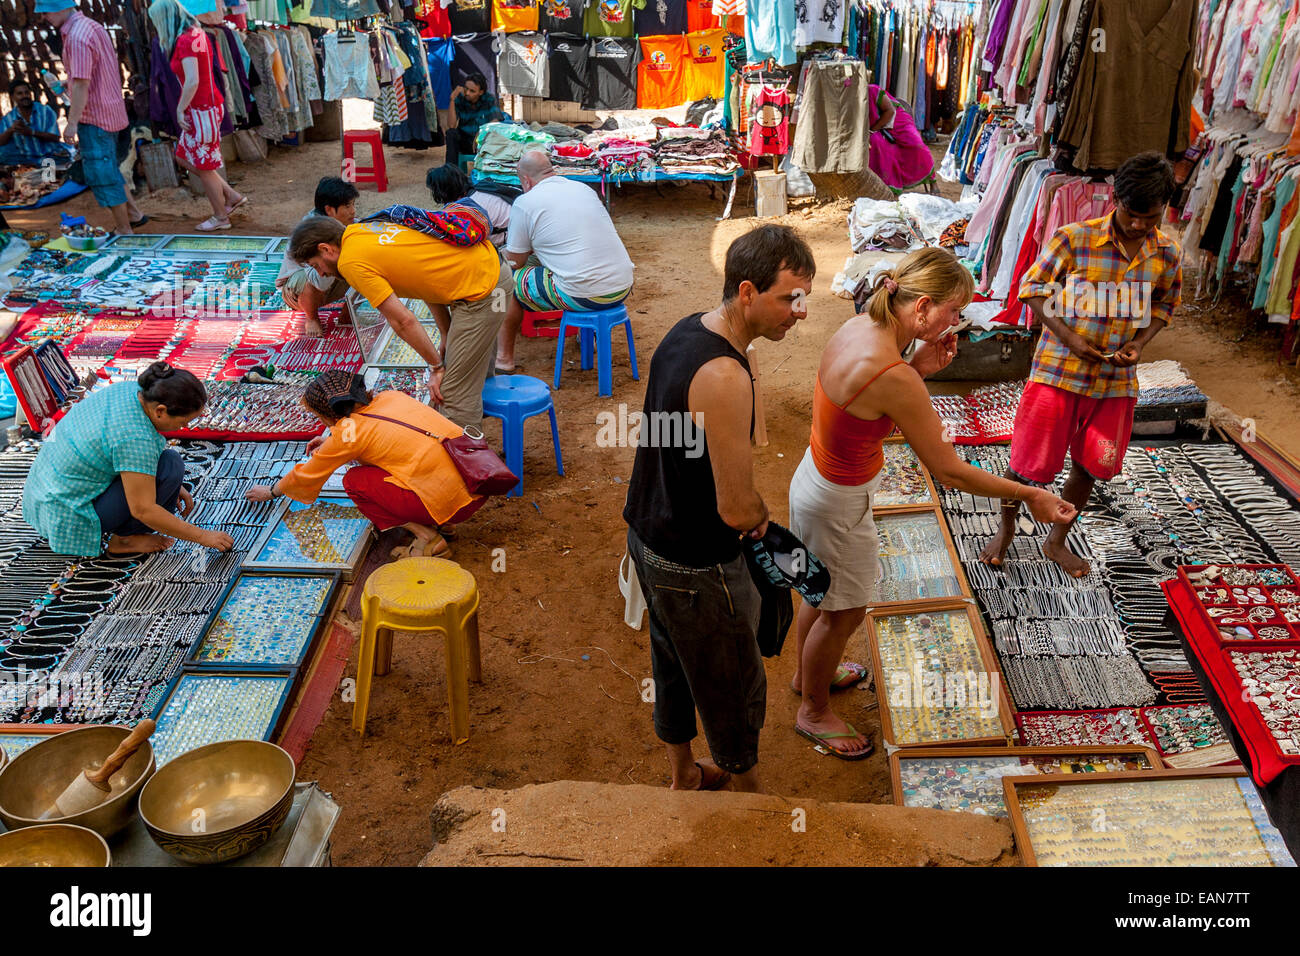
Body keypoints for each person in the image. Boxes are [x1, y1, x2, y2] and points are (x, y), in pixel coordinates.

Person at [787, 248, 1077, 759]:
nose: (957, 323)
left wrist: (917, 365)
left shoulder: (867, 326)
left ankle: (810, 675)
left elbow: (867, 399)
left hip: (816, 482)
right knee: (845, 608)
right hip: (836, 502)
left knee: (820, 592)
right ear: (922, 308)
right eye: (953, 311)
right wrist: (1028, 492)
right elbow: (948, 469)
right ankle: (812, 711)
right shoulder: (891, 371)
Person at [624, 224, 815, 794]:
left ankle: (684, 774)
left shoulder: (689, 331)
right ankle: (748, 795)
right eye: (789, 298)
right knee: (732, 682)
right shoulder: (724, 375)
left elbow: (696, 442)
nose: (800, 312)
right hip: (697, 563)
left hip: (651, 534)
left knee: (673, 665)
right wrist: (763, 522)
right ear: (749, 292)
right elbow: (735, 508)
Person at [980, 151, 1182, 578]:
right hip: (1058, 372)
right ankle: (1006, 527)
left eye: (1151, 216)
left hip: (1115, 381)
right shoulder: (1075, 238)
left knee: (1092, 465)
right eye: (1133, 214)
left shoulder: (1166, 253)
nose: (1140, 225)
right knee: (1027, 463)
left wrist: (1140, 344)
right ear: (1115, 200)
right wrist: (1069, 338)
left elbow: (1166, 305)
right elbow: (1032, 287)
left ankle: (1056, 540)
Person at [289, 211, 511, 428]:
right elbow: (424, 280)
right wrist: (445, 333)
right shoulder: (361, 230)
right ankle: (479, 440)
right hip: (492, 273)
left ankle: (467, 459)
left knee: (450, 395)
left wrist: (436, 368)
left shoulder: (350, 262)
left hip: (485, 292)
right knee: (471, 375)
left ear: (326, 249)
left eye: (316, 265)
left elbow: (403, 322)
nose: (321, 274)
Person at [245, 371, 485, 559]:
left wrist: (272, 491)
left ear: (328, 414)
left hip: (453, 503)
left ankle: (428, 538)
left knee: (355, 482)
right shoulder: (391, 397)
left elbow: (306, 475)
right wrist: (332, 439)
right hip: (476, 482)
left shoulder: (348, 435)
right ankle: (445, 523)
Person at [22, 362, 234, 556]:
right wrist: (203, 537)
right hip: (67, 515)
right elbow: (143, 509)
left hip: (42, 496)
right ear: (160, 411)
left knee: (166, 465)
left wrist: (168, 484)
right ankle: (124, 540)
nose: (184, 428)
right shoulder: (136, 438)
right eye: (183, 421)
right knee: (171, 464)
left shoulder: (131, 391)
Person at [496, 150, 635, 372]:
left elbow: (516, 261)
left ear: (526, 180)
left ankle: (503, 357)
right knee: (568, 262)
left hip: (583, 294)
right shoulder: (582, 188)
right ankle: (587, 335)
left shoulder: (525, 201)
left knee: (504, 281)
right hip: (622, 286)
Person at [37, 0, 146, 234]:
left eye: (46, 11)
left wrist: (72, 123)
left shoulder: (76, 37)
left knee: (103, 174)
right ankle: (134, 215)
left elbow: (82, 85)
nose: (44, 16)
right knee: (109, 168)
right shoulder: (91, 26)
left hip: (95, 116)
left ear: (60, 7)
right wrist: (69, 81)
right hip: (111, 112)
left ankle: (124, 230)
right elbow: (90, 73)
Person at [148, 0, 246, 232]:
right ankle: (230, 195)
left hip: (202, 110)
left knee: (203, 166)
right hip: (205, 108)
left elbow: (192, 81)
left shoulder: (185, 40)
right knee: (184, 157)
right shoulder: (197, 33)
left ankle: (221, 216)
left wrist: (180, 108)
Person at [276, 176, 359, 336]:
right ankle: (311, 318)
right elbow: (319, 280)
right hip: (300, 290)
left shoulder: (344, 224)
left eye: (353, 205)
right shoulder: (309, 232)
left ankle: (348, 314)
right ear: (329, 210)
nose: (353, 211)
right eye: (347, 206)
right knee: (311, 277)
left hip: (328, 285)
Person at [426, 162, 513, 247]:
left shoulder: (467, 208)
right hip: (512, 228)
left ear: (444, 192)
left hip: (508, 237)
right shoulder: (479, 189)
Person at [866, 83, 934, 190]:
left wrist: (872, 130)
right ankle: (885, 185)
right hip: (877, 125)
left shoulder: (872, 90)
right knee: (876, 142)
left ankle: (933, 182)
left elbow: (890, 111)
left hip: (898, 120)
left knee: (916, 145)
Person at [0, 78, 72, 167]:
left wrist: (31, 132)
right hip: (26, 159)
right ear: (12, 97)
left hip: (50, 156)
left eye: (27, 93)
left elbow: (56, 137)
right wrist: (11, 130)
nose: (24, 96)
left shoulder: (45, 111)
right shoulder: (9, 118)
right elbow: (1, 142)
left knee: (50, 175)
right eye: (20, 94)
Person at [445, 73, 501, 168]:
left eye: (472, 91)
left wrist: (481, 131)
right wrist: (452, 100)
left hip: (482, 142)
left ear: (481, 92)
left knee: (493, 135)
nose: (467, 93)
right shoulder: (460, 98)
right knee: (451, 133)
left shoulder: (489, 99)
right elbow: (451, 125)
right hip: (465, 141)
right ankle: (451, 172)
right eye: (466, 88)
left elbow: (496, 120)